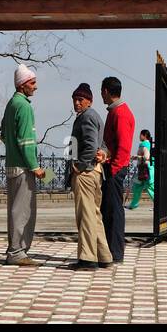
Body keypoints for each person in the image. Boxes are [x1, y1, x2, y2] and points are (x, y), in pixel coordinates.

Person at [0, 64, 46, 266]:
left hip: (11, 164)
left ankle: (14, 249)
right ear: (23, 85)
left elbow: (4, 135)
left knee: (14, 209)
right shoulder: (24, 107)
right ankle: (17, 252)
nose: (35, 87)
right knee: (23, 211)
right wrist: (35, 166)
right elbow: (27, 141)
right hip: (23, 168)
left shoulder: (11, 105)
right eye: (32, 83)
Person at [69, 83, 112, 269]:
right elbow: (101, 144)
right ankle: (104, 255)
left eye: (81, 100)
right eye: (75, 100)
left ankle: (88, 258)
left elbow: (90, 144)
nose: (77, 103)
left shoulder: (86, 117)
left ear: (89, 101)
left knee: (85, 215)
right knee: (94, 215)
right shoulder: (95, 116)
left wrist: (79, 166)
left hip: (86, 173)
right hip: (95, 172)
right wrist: (103, 152)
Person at [96, 75, 135, 264]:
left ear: (105, 91)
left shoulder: (120, 113)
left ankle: (116, 252)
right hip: (112, 167)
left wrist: (114, 167)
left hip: (115, 169)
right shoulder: (116, 111)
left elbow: (124, 146)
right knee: (109, 210)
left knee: (114, 211)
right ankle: (110, 250)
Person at [129, 129, 154, 209]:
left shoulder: (144, 144)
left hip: (144, 169)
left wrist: (136, 157)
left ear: (144, 135)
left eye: (140, 134)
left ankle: (134, 204)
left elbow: (146, 157)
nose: (139, 136)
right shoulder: (149, 144)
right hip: (146, 169)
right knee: (138, 187)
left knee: (146, 187)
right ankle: (133, 204)